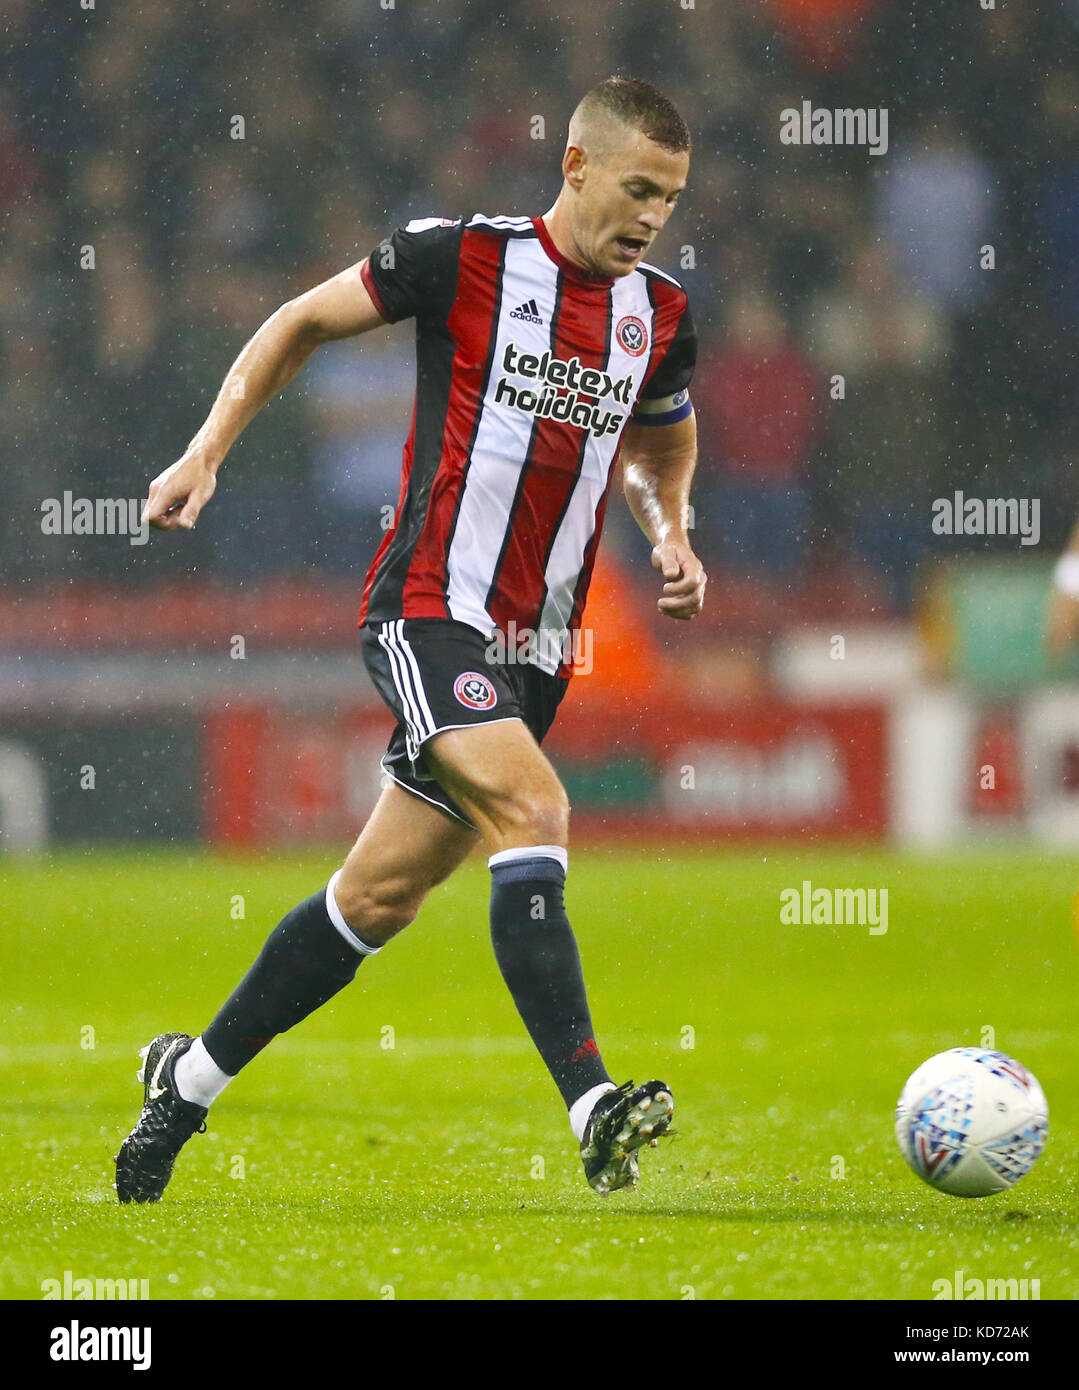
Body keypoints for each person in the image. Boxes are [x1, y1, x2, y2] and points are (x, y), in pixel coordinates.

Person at [116, 76, 705, 1203]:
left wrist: (670, 530)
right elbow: (298, 322)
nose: (650, 216)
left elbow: (661, 437)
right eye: (636, 188)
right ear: (576, 168)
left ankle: (180, 1082)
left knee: (375, 900)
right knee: (535, 812)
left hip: (534, 652)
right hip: (429, 607)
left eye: (669, 199)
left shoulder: (660, 314)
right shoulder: (459, 258)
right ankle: (592, 1106)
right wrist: (205, 452)